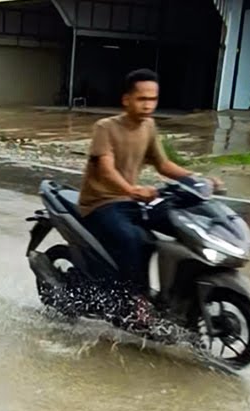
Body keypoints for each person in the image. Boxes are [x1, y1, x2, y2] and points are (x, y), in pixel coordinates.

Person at [77, 68, 218, 321]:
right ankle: (136, 300)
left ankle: (175, 295)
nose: (148, 105)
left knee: (179, 221)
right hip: (100, 203)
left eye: (152, 99)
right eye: (142, 99)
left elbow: (163, 165)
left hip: (132, 200)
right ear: (126, 99)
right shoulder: (105, 128)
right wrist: (132, 190)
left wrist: (198, 180)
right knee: (138, 240)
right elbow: (106, 170)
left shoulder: (149, 126)